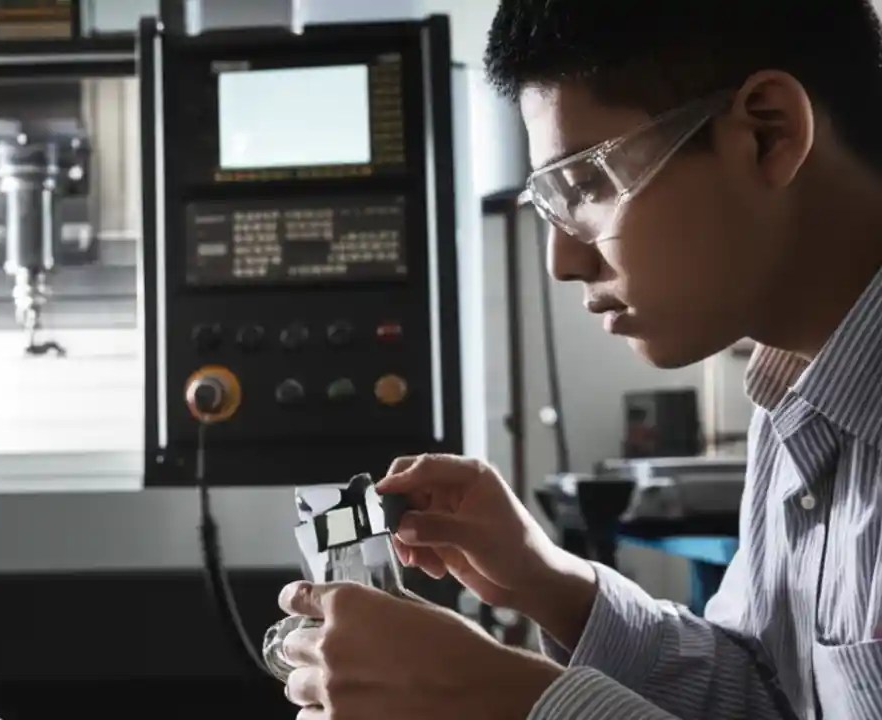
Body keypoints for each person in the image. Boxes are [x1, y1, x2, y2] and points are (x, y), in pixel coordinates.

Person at [274, 0, 882, 718]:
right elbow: (768, 696)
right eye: (550, 204)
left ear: (767, 132)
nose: (563, 260)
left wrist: (500, 699)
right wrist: (553, 585)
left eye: (587, 186)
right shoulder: (795, 401)